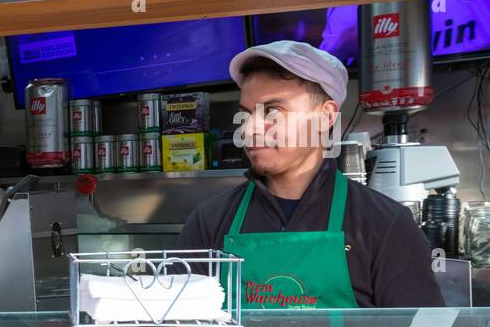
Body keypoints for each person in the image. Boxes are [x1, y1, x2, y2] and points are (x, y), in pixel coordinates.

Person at [177, 40, 442, 308]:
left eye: (272, 111)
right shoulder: (209, 222)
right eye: (246, 114)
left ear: (325, 116)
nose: (250, 130)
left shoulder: (385, 225)